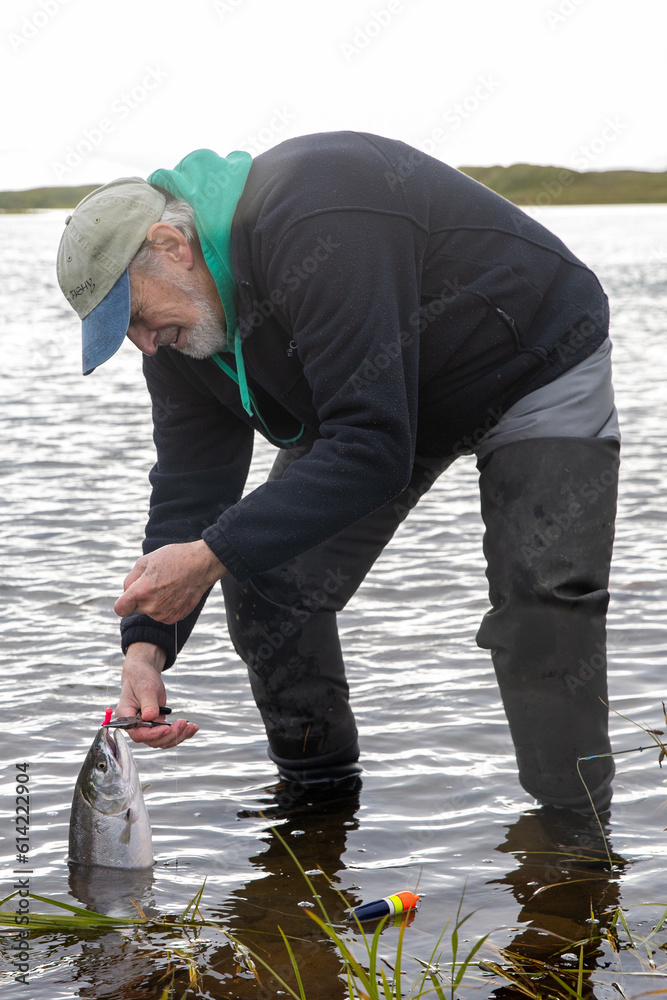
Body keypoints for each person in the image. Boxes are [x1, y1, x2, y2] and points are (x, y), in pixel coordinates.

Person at [57, 131, 620, 813]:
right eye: (125, 332)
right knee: (266, 575)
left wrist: (211, 556)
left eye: (137, 315)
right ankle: (316, 814)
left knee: (544, 602)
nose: (143, 344)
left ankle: (572, 845)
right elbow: (189, 493)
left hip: (530, 355)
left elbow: (371, 449)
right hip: (374, 398)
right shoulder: (180, 339)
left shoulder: (315, 214)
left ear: (172, 246)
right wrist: (145, 649)